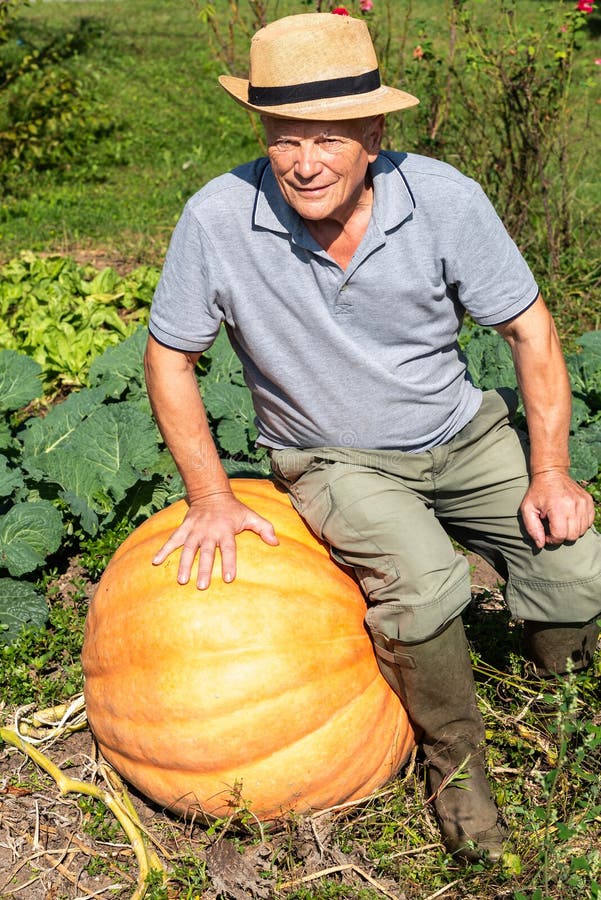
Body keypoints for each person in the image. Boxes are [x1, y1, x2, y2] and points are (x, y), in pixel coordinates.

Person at [144, 11, 601, 863]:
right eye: (284, 139)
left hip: (460, 433)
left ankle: (559, 702)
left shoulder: (443, 200)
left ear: (373, 134)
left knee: (575, 565)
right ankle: (456, 774)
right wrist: (207, 495)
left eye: (327, 139)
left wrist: (551, 472)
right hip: (333, 456)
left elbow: (532, 332)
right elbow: (169, 357)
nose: (304, 164)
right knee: (427, 585)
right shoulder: (217, 219)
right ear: (263, 135)